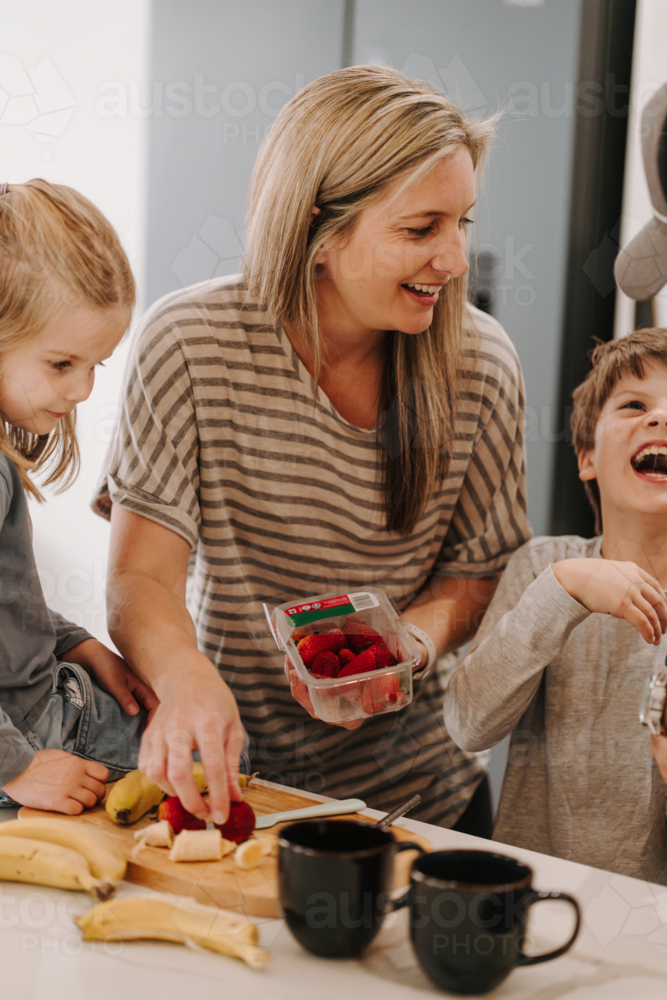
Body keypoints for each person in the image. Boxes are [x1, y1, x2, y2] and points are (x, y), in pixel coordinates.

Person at [96, 66, 531, 833]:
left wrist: (403, 648)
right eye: (420, 228)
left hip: (423, 800)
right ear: (317, 233)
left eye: (463, 222)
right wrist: (187, 678)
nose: (457, 260)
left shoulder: (480, 364)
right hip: (244, 784)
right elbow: (140, 578)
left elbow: (481, 570)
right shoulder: (191, 345)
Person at [444, 329, 667, 882]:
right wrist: (560, 590)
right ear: (587, 457)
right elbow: (469, 724)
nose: (659, 419)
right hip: (528, 893)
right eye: (635, 405)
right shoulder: (544, 568)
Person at [0, 179, 158, 814]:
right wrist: (17, 768)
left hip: (33, 701)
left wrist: (75, 643)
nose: (85, 389)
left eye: (97, 363)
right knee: (221, 756)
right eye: (62, 364)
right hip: (30, 731)